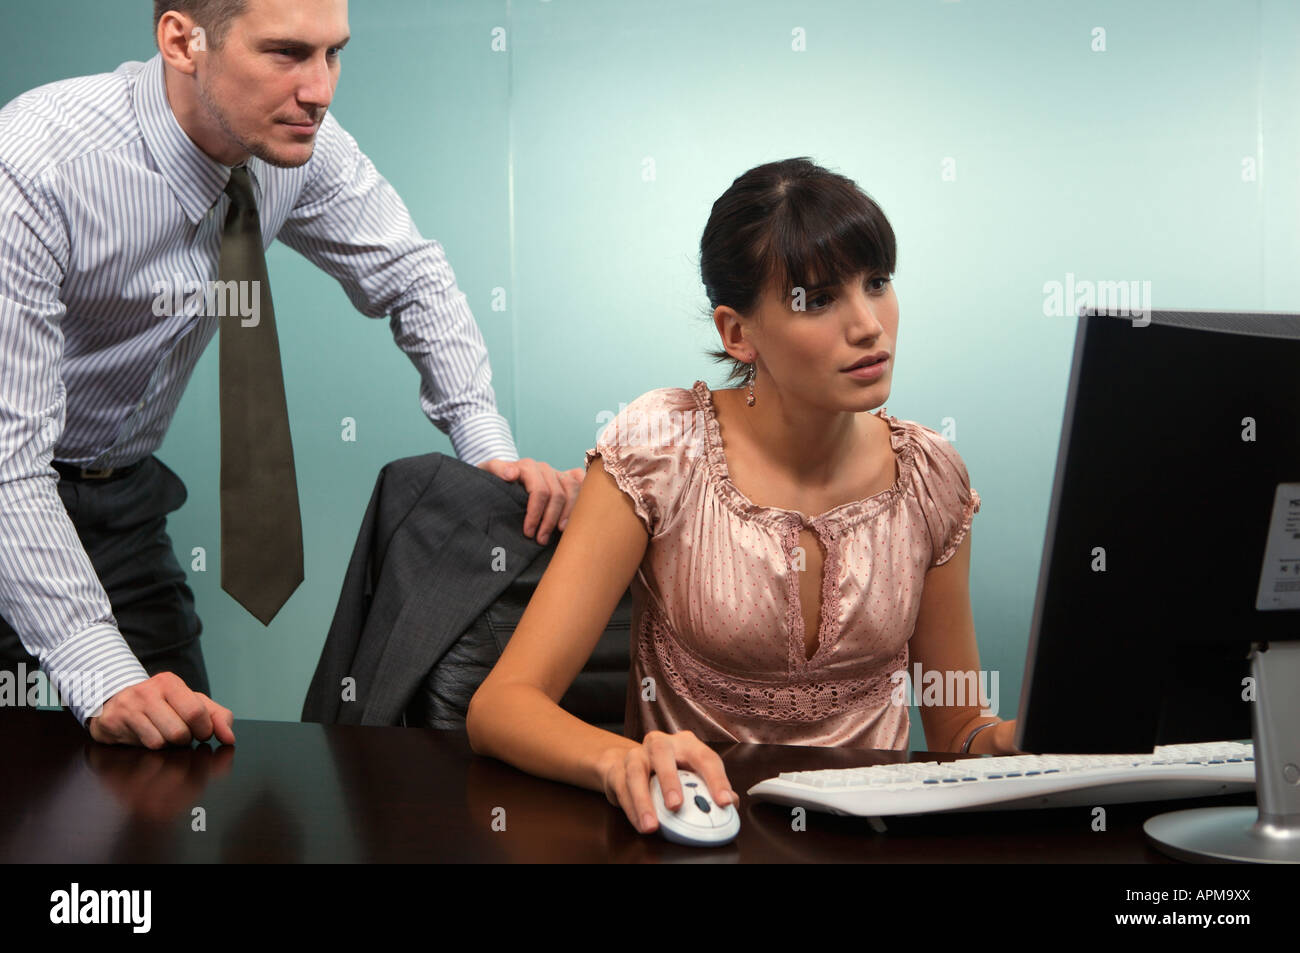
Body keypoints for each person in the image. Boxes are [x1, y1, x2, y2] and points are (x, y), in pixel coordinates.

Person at [0, 0, 582, 749]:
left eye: (332, 54)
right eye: (285, 53)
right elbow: (8, 461)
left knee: (178, 767)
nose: (321, 89)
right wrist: (97, 668)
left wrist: (484, 444)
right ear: (183, 41)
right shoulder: (36, 162)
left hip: (123, 497)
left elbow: (412, 274)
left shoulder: (293, 144)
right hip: (12, 483)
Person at [466, 157, 1021, 836]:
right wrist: (621, 757)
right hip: (698, 842)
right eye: (818, 299)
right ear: (738, 332)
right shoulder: (663, 448)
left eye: (877, 283)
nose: (869, 324)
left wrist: (1009, 743)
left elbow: (957, 724)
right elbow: (501, 704)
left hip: (867, 851)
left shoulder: (932, 475)